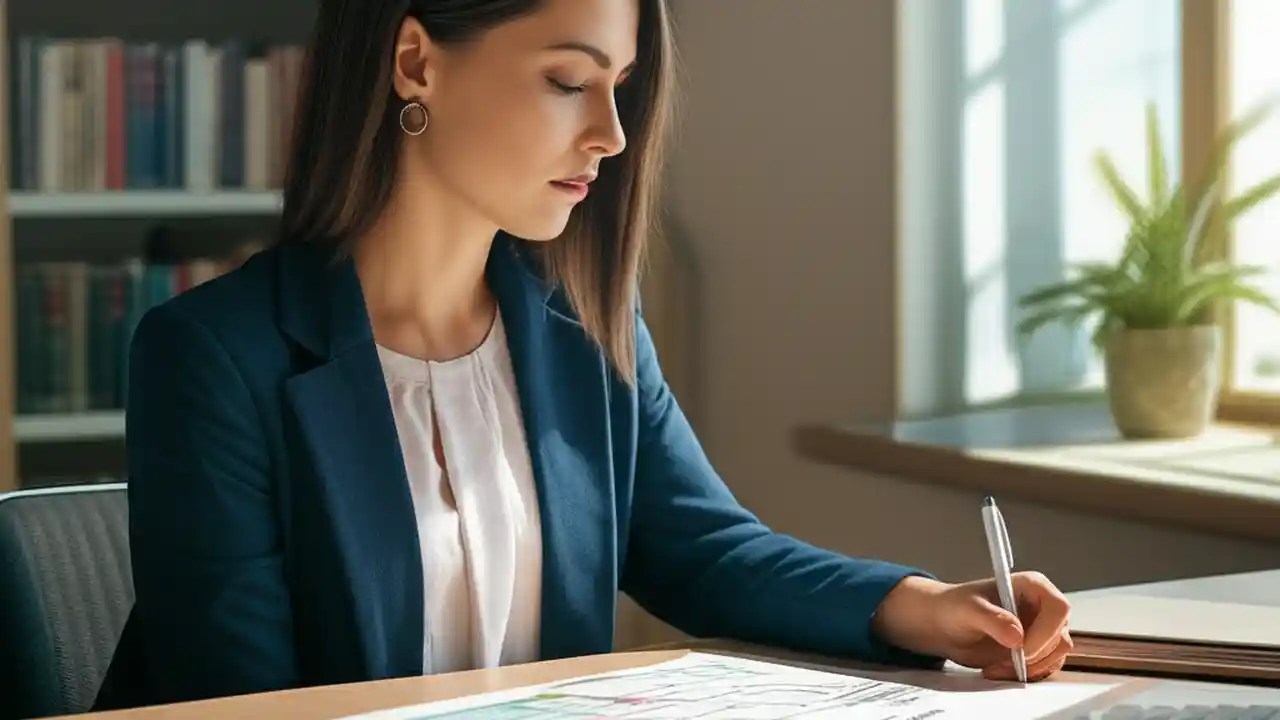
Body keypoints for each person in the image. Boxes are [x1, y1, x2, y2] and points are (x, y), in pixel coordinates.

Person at [94, 0, 1073, 709]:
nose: (608, 135)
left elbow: (705, 553)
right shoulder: (211, 356)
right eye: (567, 81)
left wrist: (928, 606)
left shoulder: (580, 326)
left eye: (618, 88)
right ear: (414, 61)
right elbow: (241, 699)